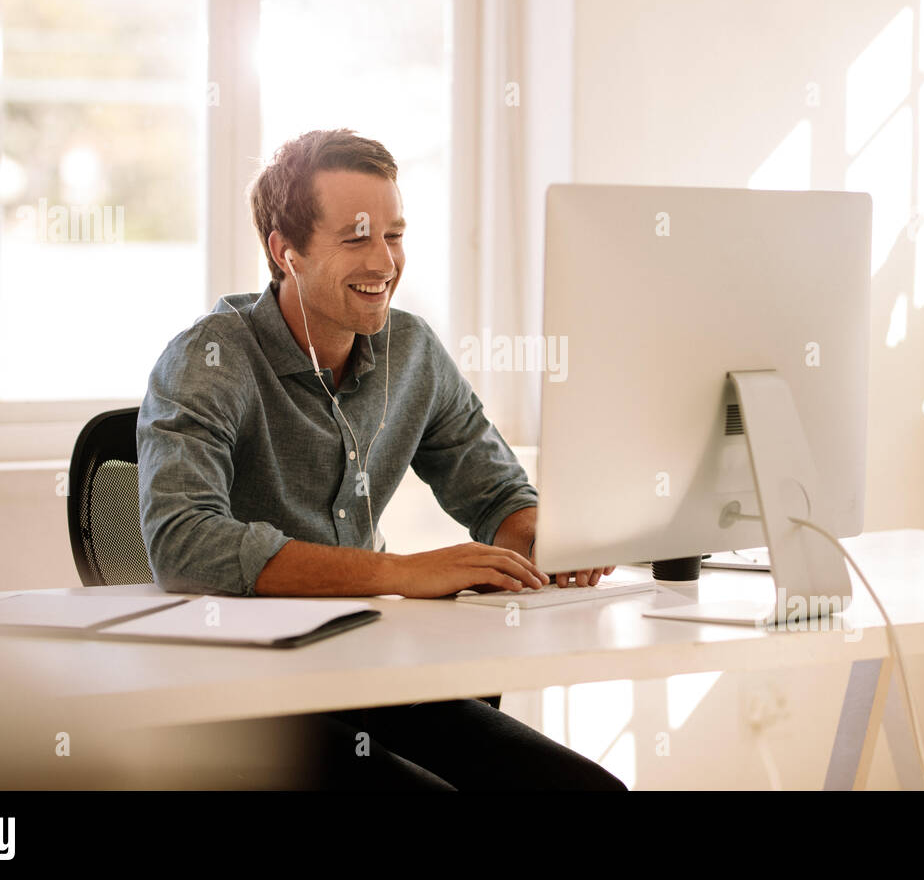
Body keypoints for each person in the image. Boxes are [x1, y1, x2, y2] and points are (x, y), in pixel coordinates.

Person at [136, 128, 625, 790]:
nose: (384, 262)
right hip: (239, 695)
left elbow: (497, 496)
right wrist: (400, 571)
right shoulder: (208, 360)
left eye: (394, 236)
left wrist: (553, 538)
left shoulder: (413, 351)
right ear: (287, 253)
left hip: (367, 666)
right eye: (356, 238)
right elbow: (184, 544)